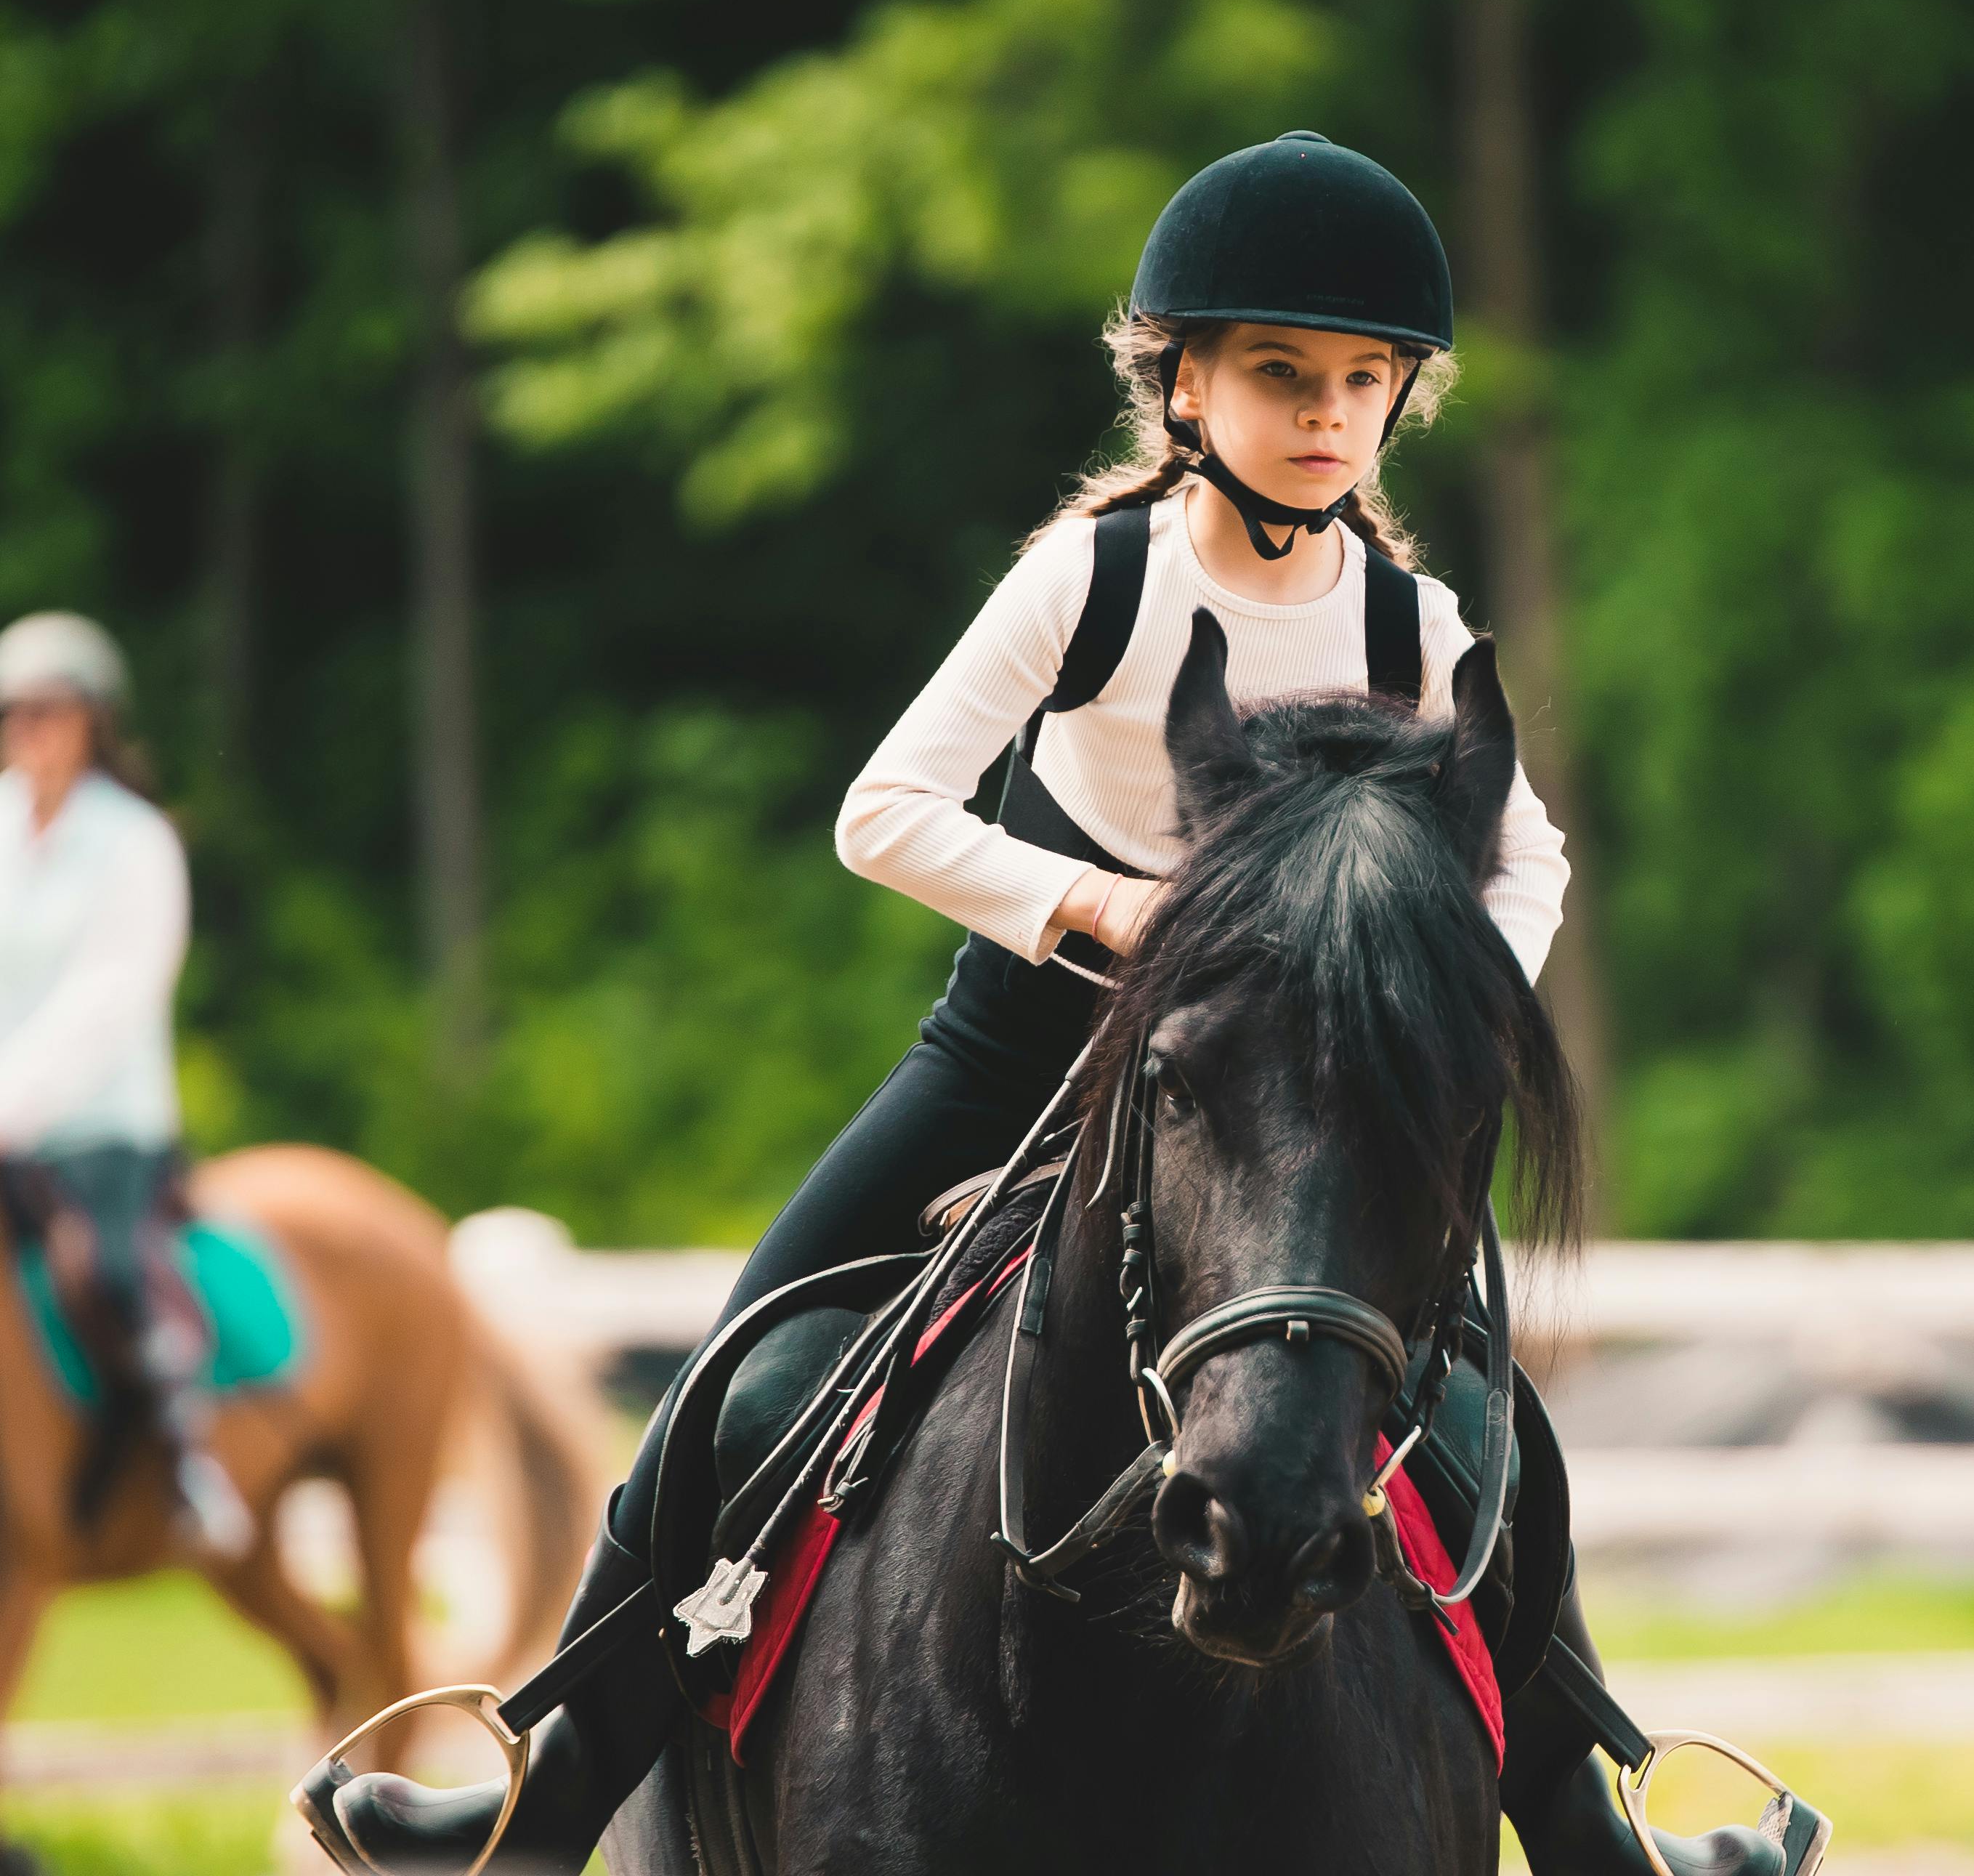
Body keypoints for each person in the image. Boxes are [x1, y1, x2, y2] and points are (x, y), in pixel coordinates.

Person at [320, 133, 1807, 1876]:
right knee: (746, 1364)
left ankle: (1588, 1814)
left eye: (1363, 383)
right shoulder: (1092, 578)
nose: (1328, 414)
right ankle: (537, 1788)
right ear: (1182, 381)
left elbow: (1528, 862)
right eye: (1282, 375)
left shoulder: (1413, 625)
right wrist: (1100, 906)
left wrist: (1431, 1007)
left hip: (1309, 1086)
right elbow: (883, 811)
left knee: (1482, 1420)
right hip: (1026, 1040)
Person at [0, 611, 252, 1557]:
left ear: (94, 719)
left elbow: (107, 1000)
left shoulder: (135, 841)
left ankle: (186, 1457)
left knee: (100, 1269)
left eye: (47, 709)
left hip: (103, 1128)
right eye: (13, 710)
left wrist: (8, 1106)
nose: (27, 727)